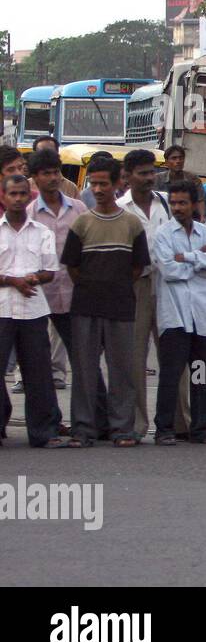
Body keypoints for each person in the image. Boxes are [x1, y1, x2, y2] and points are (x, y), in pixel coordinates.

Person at [62, 156, 150, 447]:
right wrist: (93, 287)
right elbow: (72, 267)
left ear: (117, 184)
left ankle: (122, 429)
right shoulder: (82, 223)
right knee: (85, 371)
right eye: (93, 183)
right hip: (85, 306)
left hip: (122, 307)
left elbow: (138, 267)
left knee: (122, 370)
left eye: (103, 183)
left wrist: (117, 286)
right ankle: (84, 429)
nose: (97, 189)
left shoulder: (132, 224)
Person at [119, 149, 190, 439]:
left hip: (168, 285)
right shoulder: (121, 208)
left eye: (151, 172)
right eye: (143, 173)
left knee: (175, 357)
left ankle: (180, 423)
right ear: (128, 176)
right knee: (134, 358)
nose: (149, 178)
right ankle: (136, 425)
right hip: (136, 285)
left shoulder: (164, 203)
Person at [151, 180, 206, 445]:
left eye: (183, 202)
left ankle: (202, 428)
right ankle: (164, 429)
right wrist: (199, 260)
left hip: (201, 316)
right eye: (173, 203)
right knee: (172, 375)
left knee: (201, 374)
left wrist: (188, 257)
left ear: (194, 204)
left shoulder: (203, 232)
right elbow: (169, 270)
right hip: (175, 316)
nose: (177, 208)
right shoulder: (163, 234)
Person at [26, 149, 94, 428]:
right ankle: (51, 421)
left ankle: (87, 421)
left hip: (74, 295)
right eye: (46, 173)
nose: (53, 178)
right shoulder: (29, 214)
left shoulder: (78, 209)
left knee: (83, 361)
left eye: (56, 172)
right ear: (35, 179)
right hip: (39, 300)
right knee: (41, 367)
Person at [0, 174, 64, 448]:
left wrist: (32, 279)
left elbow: (51, 271)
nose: (17, 199)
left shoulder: (43, 233)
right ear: (3, 197)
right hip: (2, 310)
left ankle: (43, 433)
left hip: (33, 311)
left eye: (22, 194)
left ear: (29, 197)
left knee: (38, 374)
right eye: (12, 194)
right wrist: (13, 281)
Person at [156, 145, 205, 220]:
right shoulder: (158, 179)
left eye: (181, 158)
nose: (178, 161)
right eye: (174, 158)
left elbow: (200, 200)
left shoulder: (193, 179)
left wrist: (202, 217)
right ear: (166, 162)